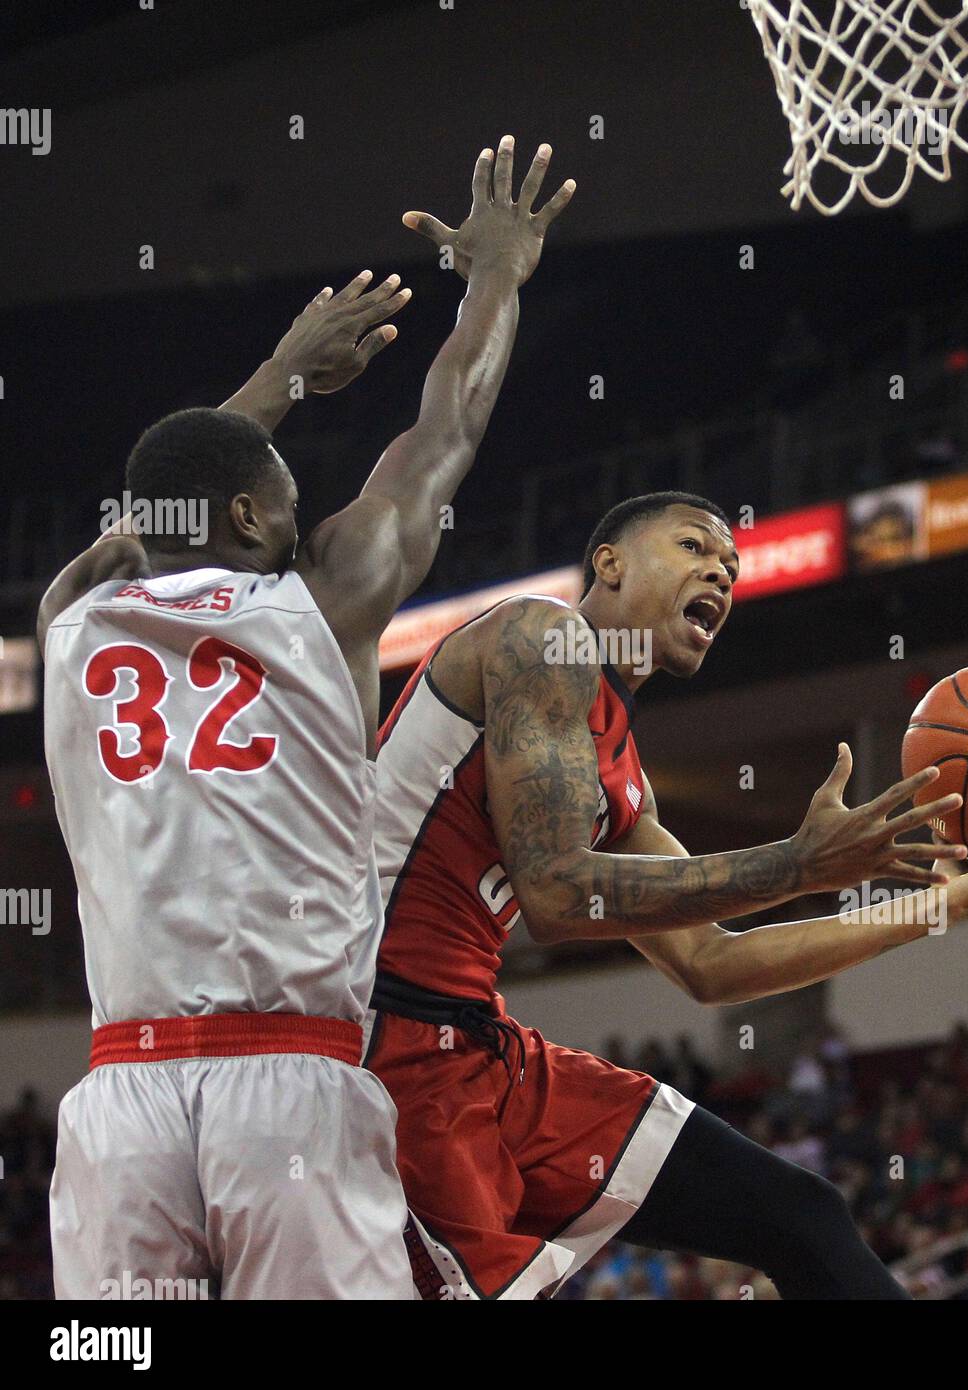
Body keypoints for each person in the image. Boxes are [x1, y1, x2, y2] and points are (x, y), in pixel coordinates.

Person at [38, 136, 573, 1299]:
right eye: (280, 502)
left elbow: (144, 522)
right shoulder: (318, 606)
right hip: (287, 1080)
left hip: (118, 1098)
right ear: (246, 513)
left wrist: (278, 376)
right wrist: (493, 279)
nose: (301, 516)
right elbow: (443, 440)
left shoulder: (70, 615)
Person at [366, 489, 968, 1298]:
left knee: (799, 1214)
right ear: (609, 563)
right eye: (694, 549)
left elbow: (712, 964)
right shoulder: (540, 635)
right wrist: (799, 864)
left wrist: (941, 904)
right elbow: (558, 892)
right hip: (374, 1042)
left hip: (470, 1044)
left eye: (732, 568)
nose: (721, 573)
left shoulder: (621, 775)